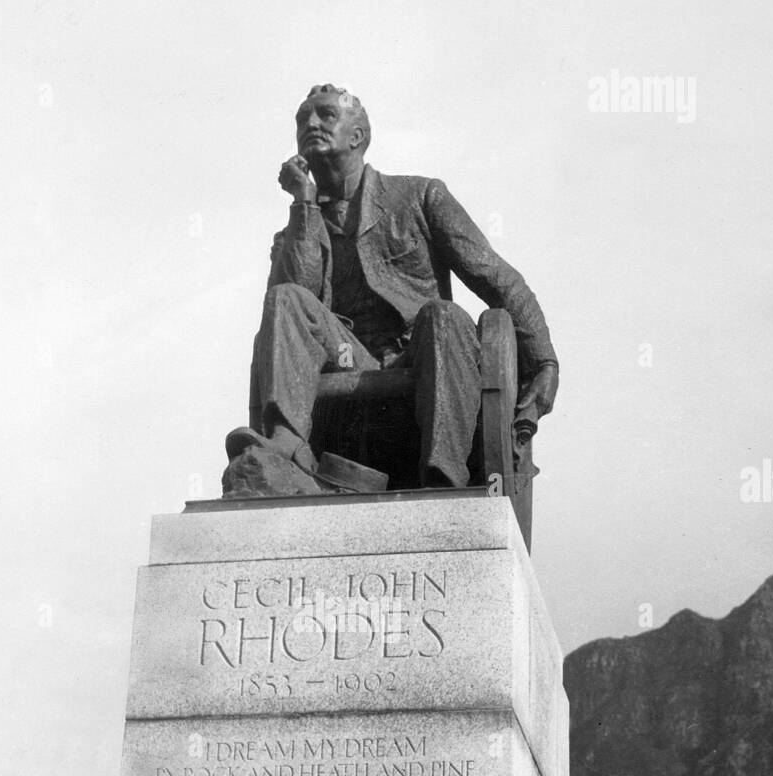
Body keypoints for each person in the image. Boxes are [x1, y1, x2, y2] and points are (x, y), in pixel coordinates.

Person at [227, 83, 558, 489]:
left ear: (358, 136)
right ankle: (288, 445)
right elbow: (289, 312)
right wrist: (304, 204)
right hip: (349, 362)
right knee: (284, 297)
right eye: (302, 119)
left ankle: (443, 476)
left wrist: (544, 363)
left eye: (325, 114)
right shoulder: (299, 225)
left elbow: (496, 276)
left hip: (425, 357)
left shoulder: (420, 197)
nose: (310, 124)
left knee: (443, 315)